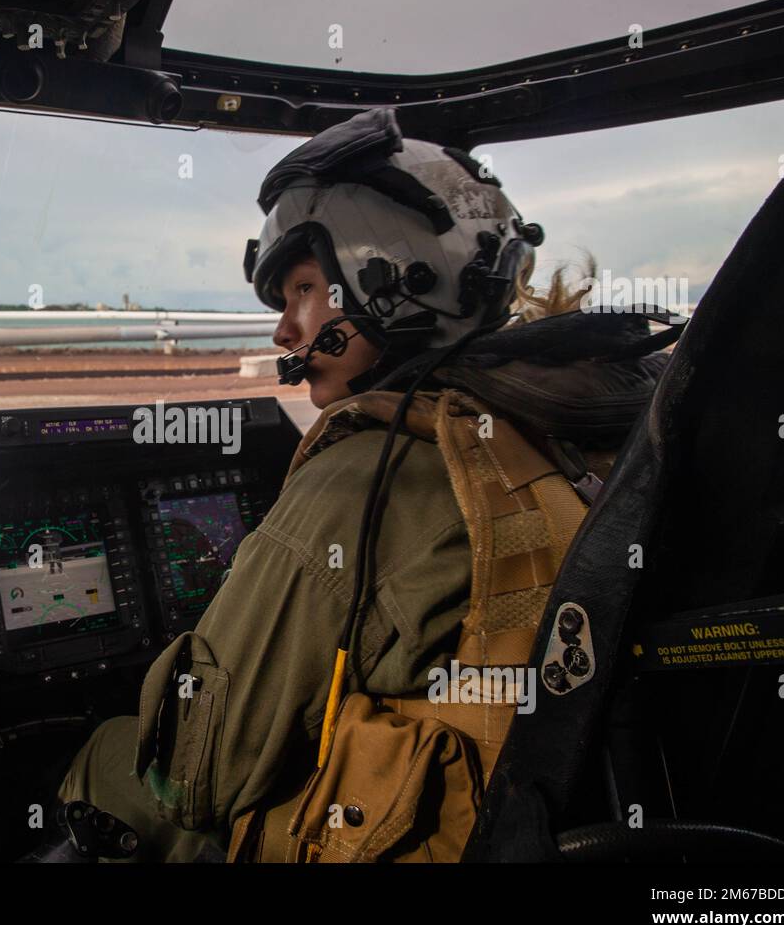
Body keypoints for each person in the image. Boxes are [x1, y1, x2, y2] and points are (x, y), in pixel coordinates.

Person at [56, 107, 673, 862]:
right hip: (587, 811)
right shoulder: (594, 413)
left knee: (104, 762)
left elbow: (199, 777)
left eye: (303, 291)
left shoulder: (371, 470)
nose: (284, 333)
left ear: (392, 281)